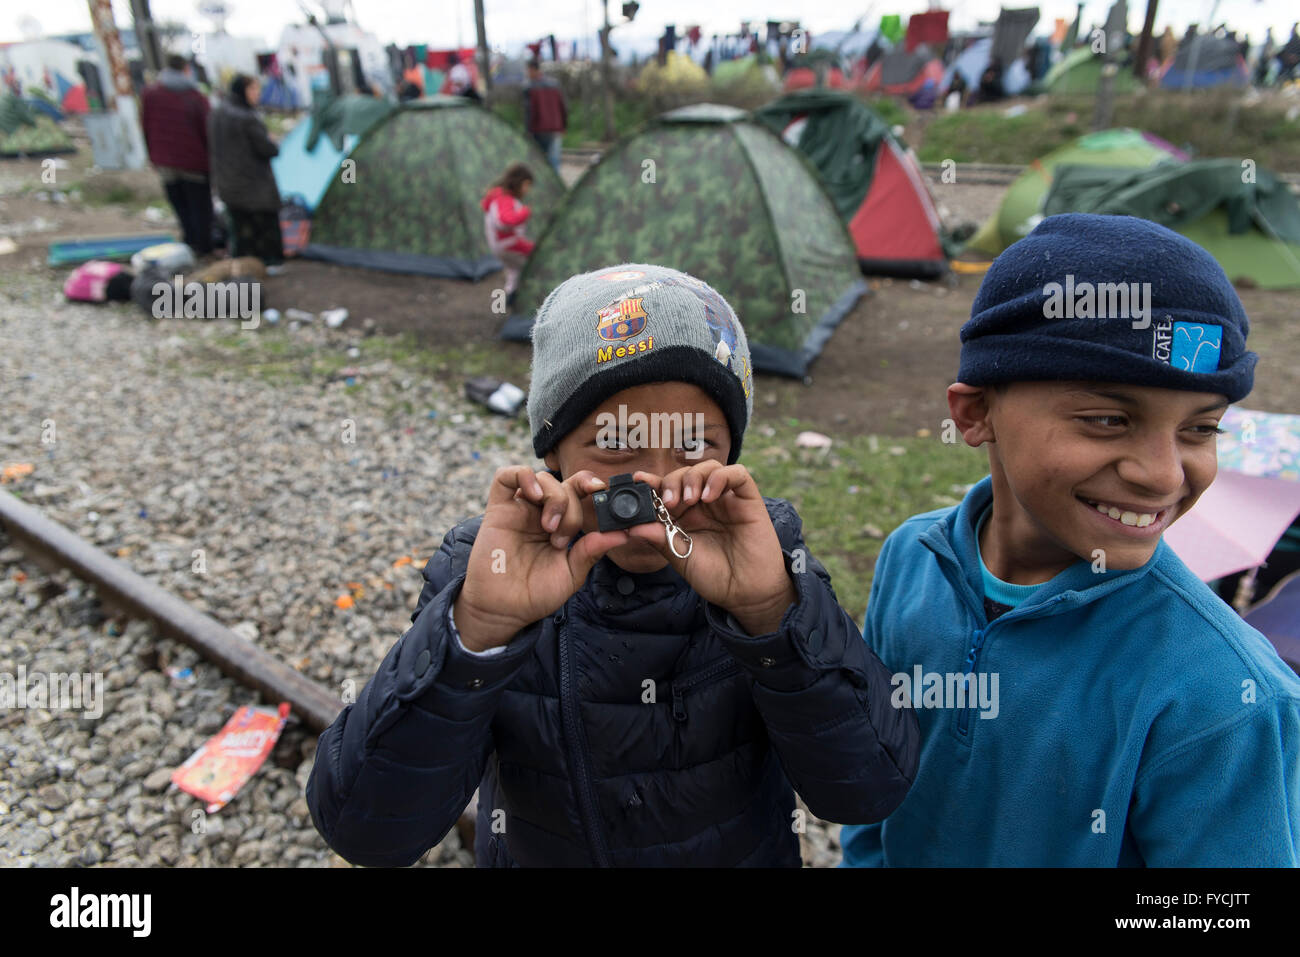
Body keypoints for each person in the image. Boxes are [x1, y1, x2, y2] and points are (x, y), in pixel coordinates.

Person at [306, 264, 919, 867]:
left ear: (731, 452)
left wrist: (769, 613)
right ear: (552, 447)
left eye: (695, 445)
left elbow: (866, 792)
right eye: (618, 443)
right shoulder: (486, 571)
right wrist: (479, 632)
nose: (654, 481)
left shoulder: (770, 561)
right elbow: (367, 833)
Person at [840, 214, 1300, 867]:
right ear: (974, 414)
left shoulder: (1226, 695)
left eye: (1201, 429)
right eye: (1109, 419)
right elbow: (879, 783)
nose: (1165, 473)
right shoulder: (911, 562)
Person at [209, 74, 285, 273]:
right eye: (253, 89)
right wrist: (271, 141)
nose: (257, 94)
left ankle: (241, 268)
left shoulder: (216, 113)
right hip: (253, 183)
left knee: (240, 229)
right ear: (242, 91)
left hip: (227, 182)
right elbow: (268, 149)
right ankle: (270, 263)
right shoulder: (247, 118)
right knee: (264, 226)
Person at [140, 54, 213, 256]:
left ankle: (189, 244)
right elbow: (207, 131)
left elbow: (145, 126)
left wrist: (152, 155)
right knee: (200, 206)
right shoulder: (195, 96)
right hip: (194, 161)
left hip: (165, 161)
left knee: (180, 204)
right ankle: (204, 248)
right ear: (186, 69)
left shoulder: (150, 94)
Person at [481, 163, 535, 300]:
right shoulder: (505, 199)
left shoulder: (497, 196)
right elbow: (505, 221)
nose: (528, 190)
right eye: (527, 185)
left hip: (499, 245)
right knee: (536, 256)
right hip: (508, 243)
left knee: (513, 270)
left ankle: (510, 295)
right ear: (520, 183)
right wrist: (524, 212)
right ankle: (524, 296)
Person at [523, 59, 566, 172]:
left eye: (527, 70)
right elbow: (563, 107)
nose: (527, 73)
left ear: (532, 69)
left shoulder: (530, 87)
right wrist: (563, 126)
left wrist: (528, 130)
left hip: (539, 130)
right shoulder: (555, 84)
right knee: (554, 163)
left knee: (539, 162)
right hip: (555, 128)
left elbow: (530, 111)